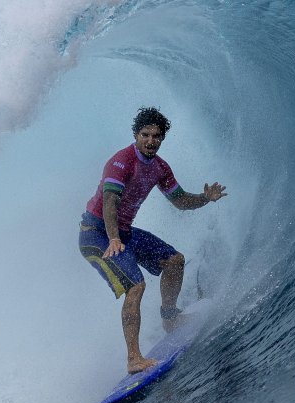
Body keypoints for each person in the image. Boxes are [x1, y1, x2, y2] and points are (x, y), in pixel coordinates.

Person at [78, 107, 227, 374]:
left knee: (174, 260)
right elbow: (110, 202)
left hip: (123, 233)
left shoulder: (160, 168)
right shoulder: (121, 162)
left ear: (162, 138)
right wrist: (113, 239)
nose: (150, 141)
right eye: (145, 135)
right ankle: (134, 359)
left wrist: (206, 198)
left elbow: (180, 201)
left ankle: (170, 318)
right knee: (136, 285)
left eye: (156, 136)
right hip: (96, 233)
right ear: (136, 135)